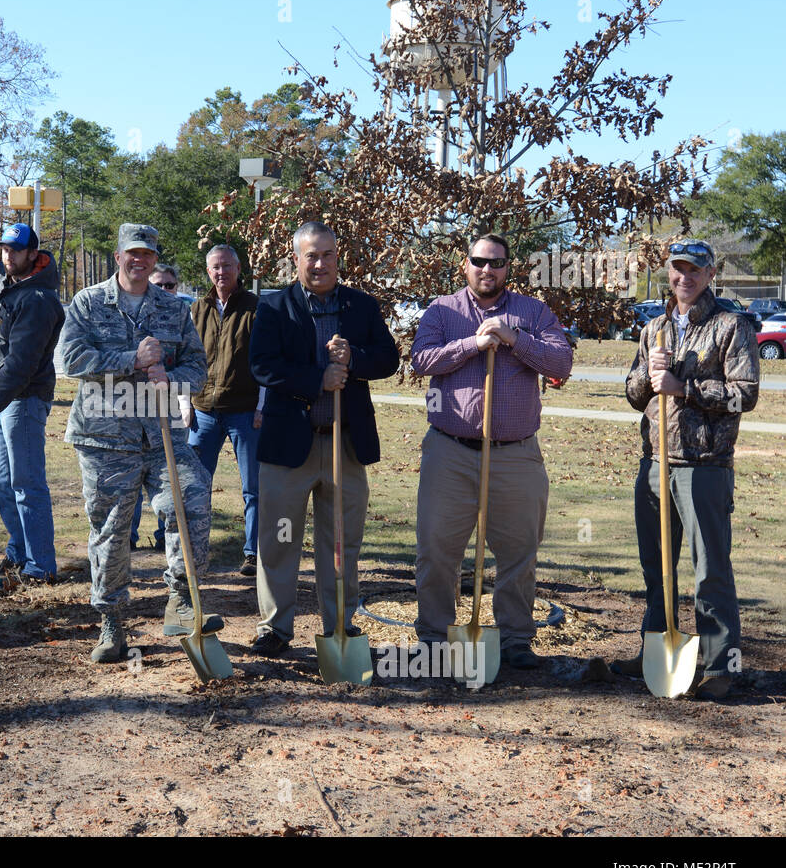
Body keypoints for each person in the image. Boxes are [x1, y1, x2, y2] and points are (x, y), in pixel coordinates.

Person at [410, 233, 573, 670]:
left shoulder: (533, 313)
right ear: (465, 264)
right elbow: (420, 360)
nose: (488, 269)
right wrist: (473, 345)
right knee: (438, 548)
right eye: (480, 261)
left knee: (519, 550)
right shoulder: (443, 310)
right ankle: (434, 639)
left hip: (516, 454)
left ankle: (516, 639)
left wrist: (514, 338)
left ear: (508, 268)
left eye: (497, 263)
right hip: (451, 450)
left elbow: (561, 365)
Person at [59, 223, 220, 662]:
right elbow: (70, 360)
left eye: (148, 254)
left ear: (154, 259)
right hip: (105, 441)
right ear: (118, 257)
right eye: (133, 253)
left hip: (164, 434)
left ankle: (182, 597)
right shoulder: (88, 303)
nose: (140, 260)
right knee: (111, 531)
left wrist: (171, 377)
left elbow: (198, 368)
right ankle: (112, 622)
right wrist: (133, 359)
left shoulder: (172, 307)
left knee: (190, 502)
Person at [612, 239, 758, 700]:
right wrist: (647, 376)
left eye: (694, 270)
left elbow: (746, 394)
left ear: (710, 274)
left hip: (704, 466)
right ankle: (654, 649)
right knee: (657, 569)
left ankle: (720, 666)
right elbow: (635, 394)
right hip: (654, 463)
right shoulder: (653, 328)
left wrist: (685, 386)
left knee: (710, 569)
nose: (684, 278)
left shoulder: (730, 326)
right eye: (677, 270)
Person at [248, 221, 399, 657]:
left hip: (344, 445)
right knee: (279, 539)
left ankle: (340, 625)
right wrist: (318, 378)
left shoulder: (362, 306)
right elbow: (262, 365)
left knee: (340, 542)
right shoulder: (274, 306)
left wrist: (355, 357)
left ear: (338, 257)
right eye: (311, 255)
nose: (320, 263)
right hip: (288, 448)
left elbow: (388, 358)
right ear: (295, 258)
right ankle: (275, 628)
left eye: (327, 255)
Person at [0, 223, 65, 587]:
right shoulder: (6, 283)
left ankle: (40, 566)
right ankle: (18, 552)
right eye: (3, 249)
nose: (7, 255)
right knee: (4, 482)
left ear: (32, 254)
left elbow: (21, 366)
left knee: (27, 483)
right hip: (1, 402)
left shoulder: (38, 300)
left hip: (22, 401)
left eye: (15, 250)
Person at [188, 244, 263, 577]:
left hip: (245, 412)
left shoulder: (255, 309)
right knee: (196, 484)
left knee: (254, 487)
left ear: (238, 269)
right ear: (208, 271)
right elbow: (184, 360)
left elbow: (264, 364)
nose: (221, 273)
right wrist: (184, 404)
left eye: (227, 267)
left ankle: (253, 553)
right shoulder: (196, 309)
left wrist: (262, 406)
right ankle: (193, 550)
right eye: (216, 267)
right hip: (202, 410)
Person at [128, 263, 186, 549]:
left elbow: (196, 366)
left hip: (168, 415)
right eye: (159, 285)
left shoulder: (181, 316)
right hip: (126, 418)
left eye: (169, 285)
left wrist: (174, 385)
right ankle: (128, 536)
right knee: (131, 486)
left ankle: (166, 535)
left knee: (171, 481)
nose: (164, 290)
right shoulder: (131, 315)